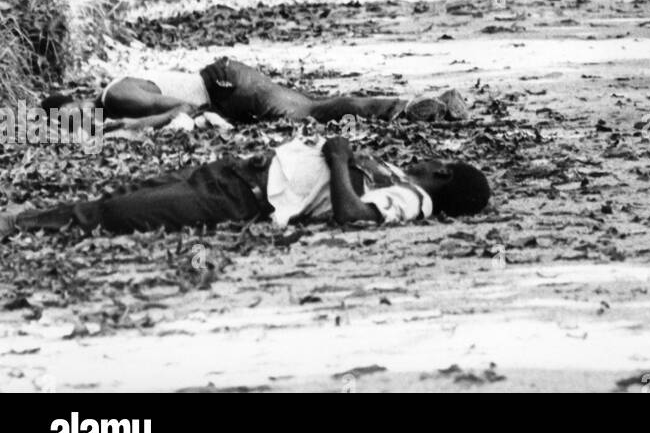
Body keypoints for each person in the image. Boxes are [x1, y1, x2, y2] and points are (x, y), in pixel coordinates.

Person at [0, 135, 490, 238]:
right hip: (245, 172)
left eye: (438, 160)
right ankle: (31, 216)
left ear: (442, 176)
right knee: (128, 195)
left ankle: (20, 224)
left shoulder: (412, 200)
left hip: (246, 196)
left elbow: (353, 216)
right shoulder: (401, 178)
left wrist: (339, 158)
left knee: (122, 213)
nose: (426, 156)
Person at [40, 56, 469, 131]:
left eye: (69, 117)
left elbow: (184, 109)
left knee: (313, 113)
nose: (78, 122)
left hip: (223, 88)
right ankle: (413, 105)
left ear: (76, 102)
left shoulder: (114, 99)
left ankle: (411, 107)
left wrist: (126, 127)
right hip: (227, 83)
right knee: (313, 108)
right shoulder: (116, 90)